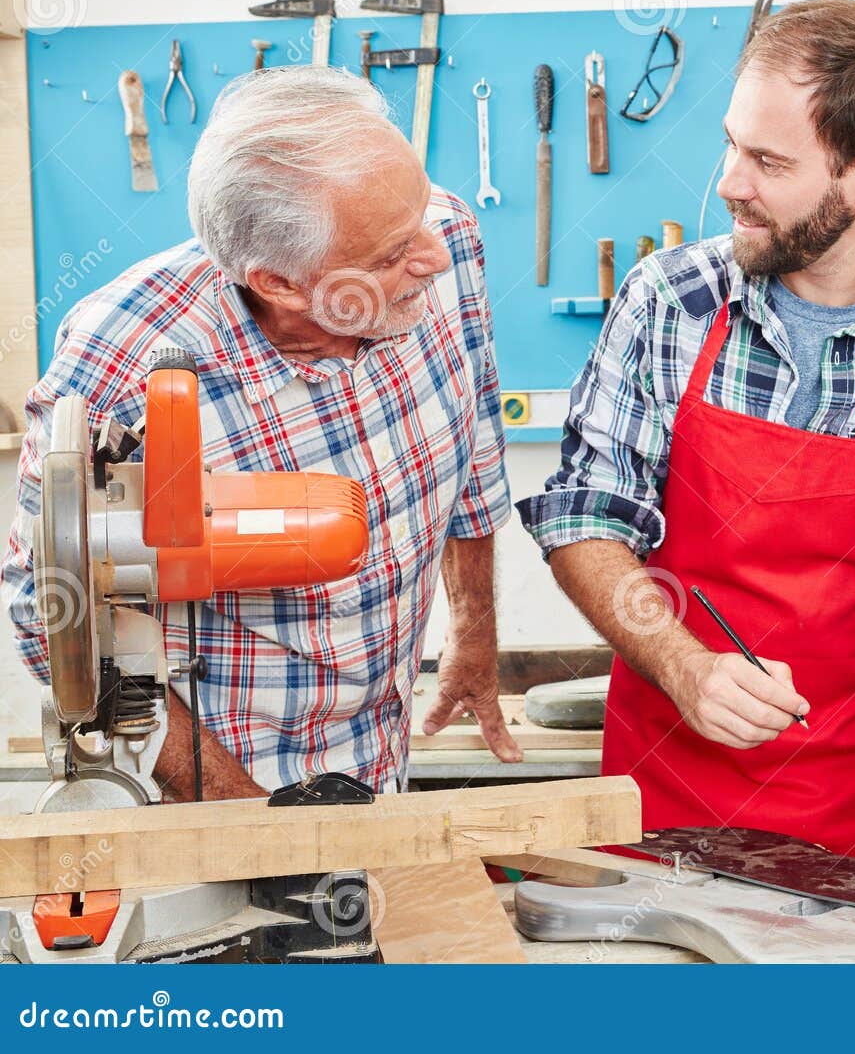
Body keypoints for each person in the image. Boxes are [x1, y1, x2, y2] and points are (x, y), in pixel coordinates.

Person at [522, 0, 855, 923]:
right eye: (733, 146)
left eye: (768, 162)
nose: (730, 182)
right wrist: (685, 665)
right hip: (654, 819)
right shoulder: (669, 299)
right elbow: (584, 521)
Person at [4, 66, 520, 800]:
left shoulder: (437, 240)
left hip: (381, 767)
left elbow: (477, 447)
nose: (433, 258)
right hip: (217, 788)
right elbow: (47, 615)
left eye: (423, 223)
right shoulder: (121, 357)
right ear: (278, 281)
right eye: (388, 256)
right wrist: (252, 824)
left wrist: (473, 631)